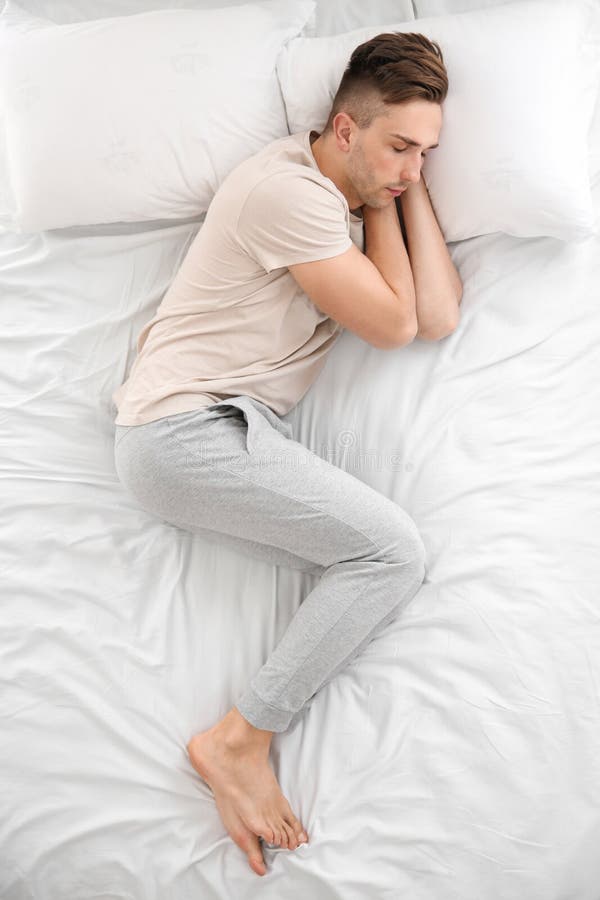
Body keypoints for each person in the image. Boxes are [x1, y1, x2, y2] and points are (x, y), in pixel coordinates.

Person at [112, 31, 461, 878]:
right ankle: (238, 739)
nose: (414, 168)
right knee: (391, 553)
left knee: (373, 563)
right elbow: (394, 325)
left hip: (217, 432)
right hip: (183, 430)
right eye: (399, 145)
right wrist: (382, 199)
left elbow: (438, 317)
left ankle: (240, 739)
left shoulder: (350, 197)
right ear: (343, 128)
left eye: (427, 153)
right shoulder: (290, 192)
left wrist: (395, 184)